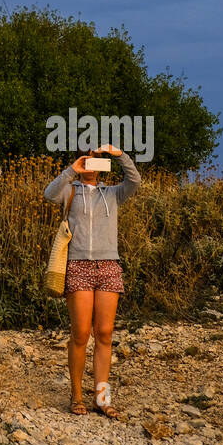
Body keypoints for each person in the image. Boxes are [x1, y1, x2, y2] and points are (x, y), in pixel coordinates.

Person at [43, 143, 141, 418]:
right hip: (78, 265)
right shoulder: (69, 190)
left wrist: (119, 154)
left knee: (105, 333)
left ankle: (102, 398)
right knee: (81, 334)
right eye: (87, 160)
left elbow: (135, 180)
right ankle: (76, 396)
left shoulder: (113, 194)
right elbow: (49, 194)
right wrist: (71, 170)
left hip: (109, 264)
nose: (91, 164)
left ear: (102, 166)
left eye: (96, 160)